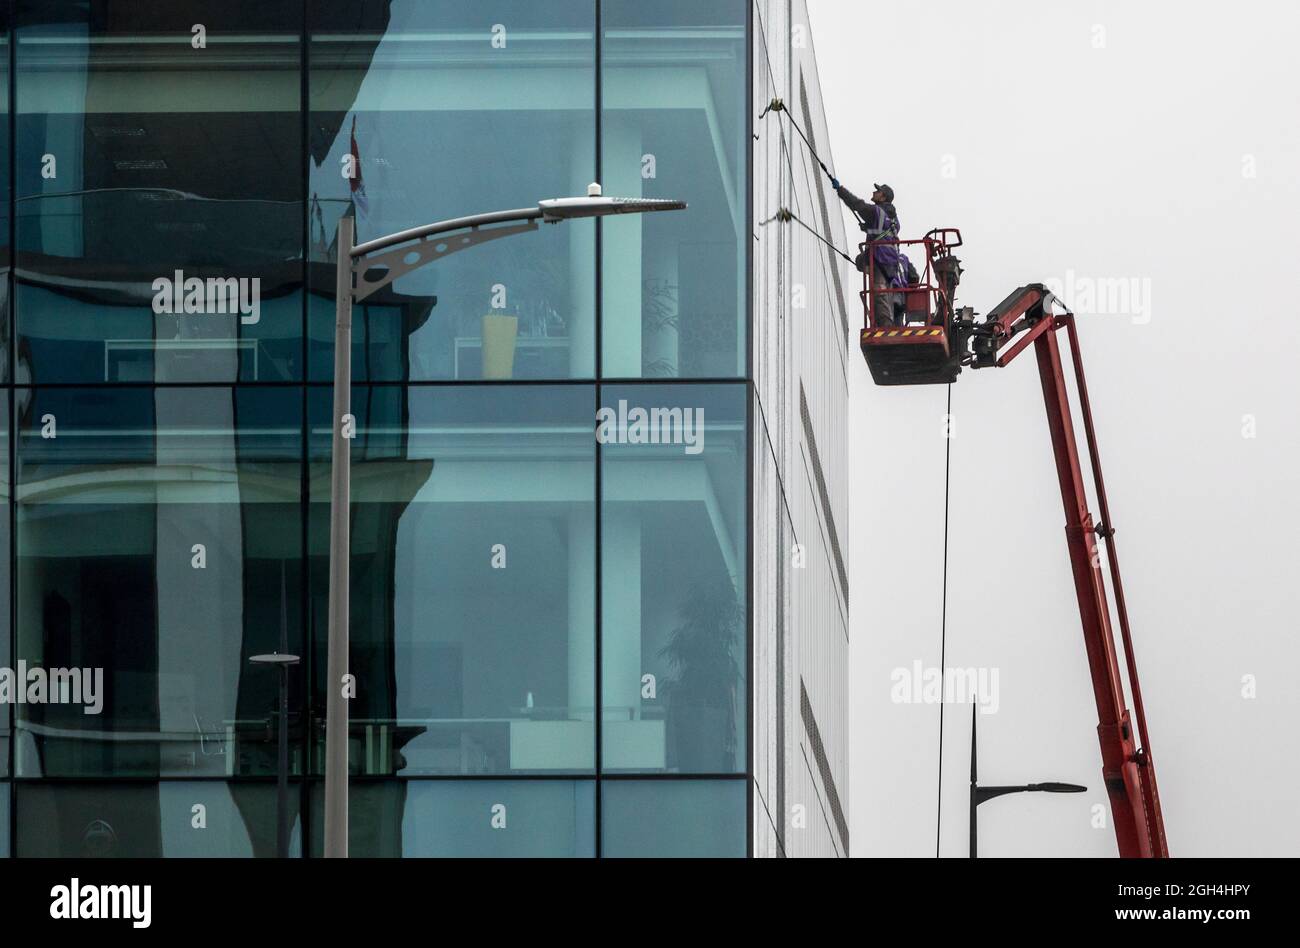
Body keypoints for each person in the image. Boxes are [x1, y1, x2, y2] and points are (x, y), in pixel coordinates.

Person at [830, 180, 905, 326]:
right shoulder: (894, 218)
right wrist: (868, 227)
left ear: (883, 197)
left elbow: (857, 204)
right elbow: (884, 231)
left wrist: (840, 190)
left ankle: (885, 326)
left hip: (880, 256)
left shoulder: (875, 212)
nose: (874, 193)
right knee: (886, 291)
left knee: (879, 291)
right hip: (891, 260)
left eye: (877, 191)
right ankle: (890, 323)